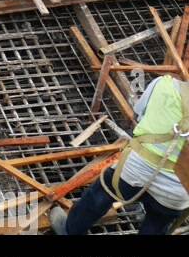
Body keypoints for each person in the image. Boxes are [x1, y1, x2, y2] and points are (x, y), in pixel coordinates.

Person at [51, 74, 189, 235]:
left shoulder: (163, 84)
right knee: (158, 222)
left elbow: (137, 115)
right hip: (177, 187)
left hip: (136, 168)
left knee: (102, 193)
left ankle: (70, 230)